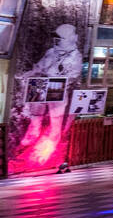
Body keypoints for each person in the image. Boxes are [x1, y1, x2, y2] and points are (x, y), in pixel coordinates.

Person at [18, 22, 81, 152]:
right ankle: (34, 129)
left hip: (59, 87)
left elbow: (73, 76)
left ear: (69, 39)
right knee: (36, 99)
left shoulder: (75, 57)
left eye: (60, 39)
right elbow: (39, 67)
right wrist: (29, 74)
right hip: (44, 83)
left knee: (56, 108)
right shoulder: (51, 52)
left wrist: (59, 80)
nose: (56, 41)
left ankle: (54, 135)